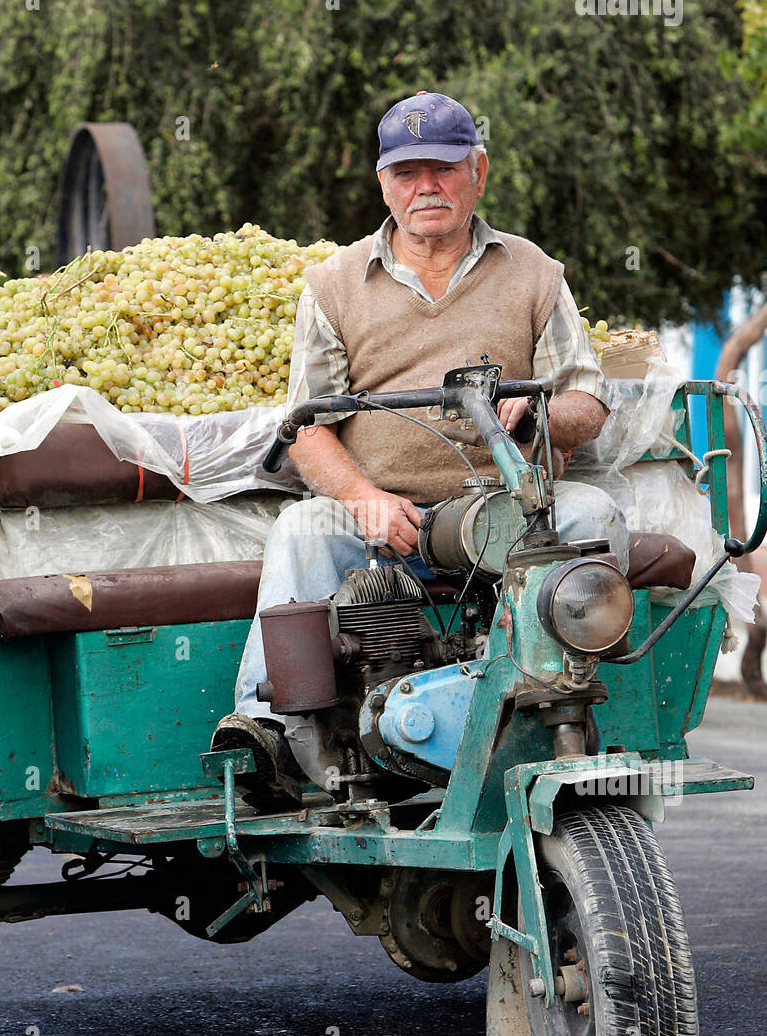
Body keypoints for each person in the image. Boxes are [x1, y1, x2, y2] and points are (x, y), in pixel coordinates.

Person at [214, 90, 627, 802]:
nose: (426, 187)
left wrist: (538, 416)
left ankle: (563, 705)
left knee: (593, 518)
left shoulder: (535, 273)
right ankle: (275, 735)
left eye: (443, 168)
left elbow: (588, 403)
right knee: (301, 529)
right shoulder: (334, 284)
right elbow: (306, 428)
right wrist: (363, 497)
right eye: (408, 173)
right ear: (384, 183)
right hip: (382, 518)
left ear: (478, 171)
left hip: (503, 509)